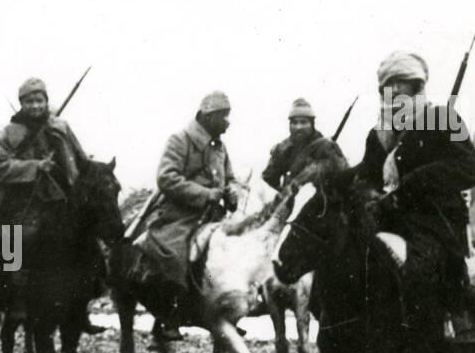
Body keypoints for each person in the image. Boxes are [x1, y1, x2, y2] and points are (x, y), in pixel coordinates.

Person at [353, 50, 475, 353]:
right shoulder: (379, 134)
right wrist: (364, 192)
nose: (395, 95)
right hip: (389, 219)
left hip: (435, 220)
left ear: (417, 89)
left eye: (403, 88)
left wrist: (421, 178)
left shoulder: (446, 120)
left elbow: (473, 167)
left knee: (418, 272)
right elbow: (367, 177)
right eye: (389, 89)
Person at [0, 76, 102, 331]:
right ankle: (16, 300)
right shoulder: (10, 132)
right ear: (22, 104)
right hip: (22, 199)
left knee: (87, 239)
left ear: (46, 101)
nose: (35, 106)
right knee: (16, 239)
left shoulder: (60, 126)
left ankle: (82, 305)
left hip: (60, 196)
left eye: (39, 100)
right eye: (29, 101)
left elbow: (80, 158)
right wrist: (35, 166)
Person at [144, 91, 245, 339]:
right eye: (223, 117)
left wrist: (232, 191)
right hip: (180, 215)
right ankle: (169, 316)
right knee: (176, 254)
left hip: (214, 216)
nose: (227, 123)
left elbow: (230, 178)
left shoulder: (220, 147)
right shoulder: (180, 140)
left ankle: (222, 313)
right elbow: (167, 178)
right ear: (207, 117)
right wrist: (205, 194)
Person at [261, 98, 346, 192]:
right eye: (294, 123)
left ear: (312, 124)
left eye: (303, 122)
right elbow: (268, 180)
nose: (298, 127)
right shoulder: (282, 149)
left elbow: (344, 177)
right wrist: (283, 195)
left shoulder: (326, 146)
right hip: (289, 201)